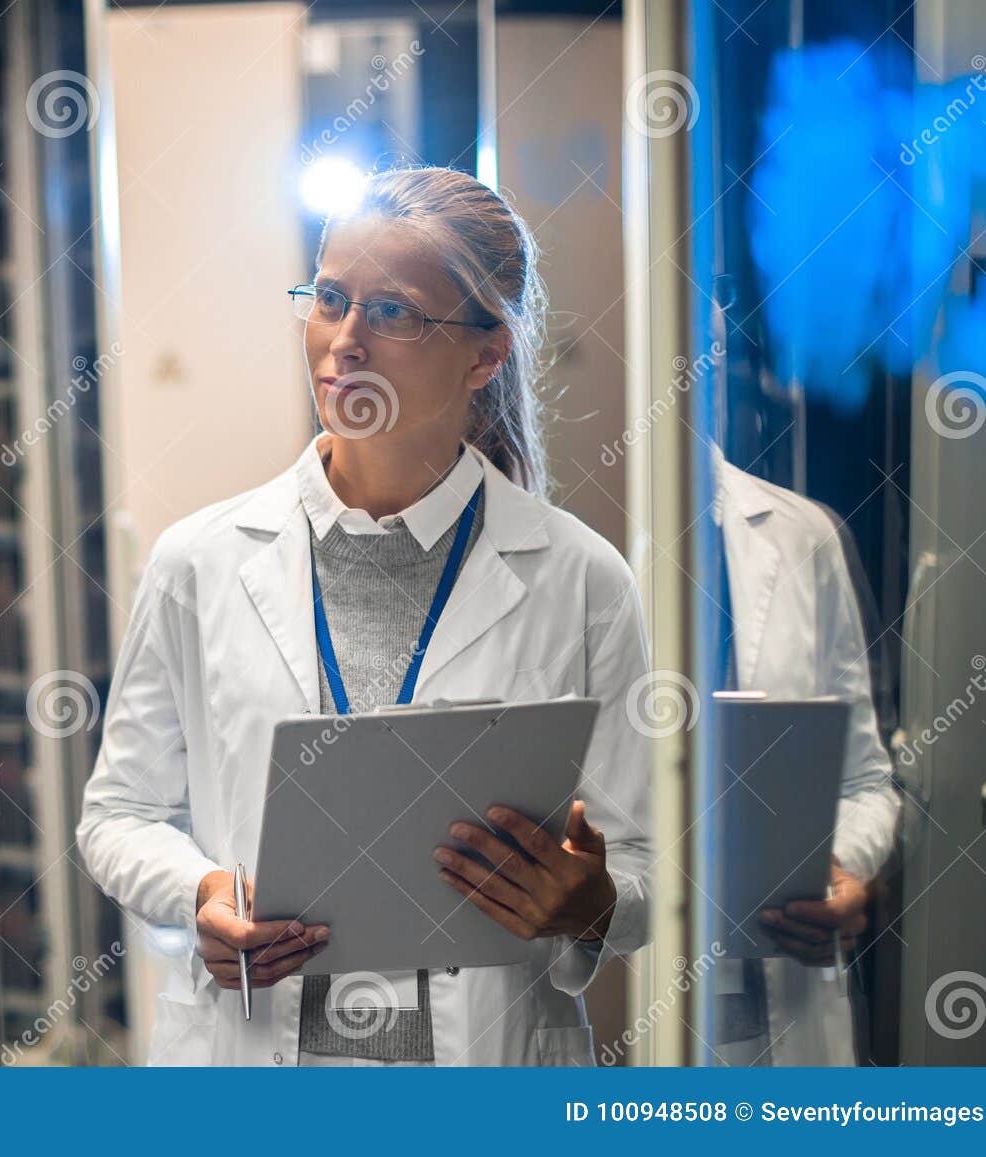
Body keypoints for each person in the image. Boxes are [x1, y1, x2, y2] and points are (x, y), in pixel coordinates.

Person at [77, 167, 653, 1066]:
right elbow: (117, 813)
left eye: (394, 313)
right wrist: (202, 891)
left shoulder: (581, 578)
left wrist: (593, 906)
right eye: (332, 298)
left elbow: (650, 860)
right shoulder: (200, 559)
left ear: (485, 353)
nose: (343, 341)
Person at [711, 446, 901, 1065]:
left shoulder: (801, 536)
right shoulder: (562, 542)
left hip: (773, 1021)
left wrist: (839, 870)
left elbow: (866, 783)